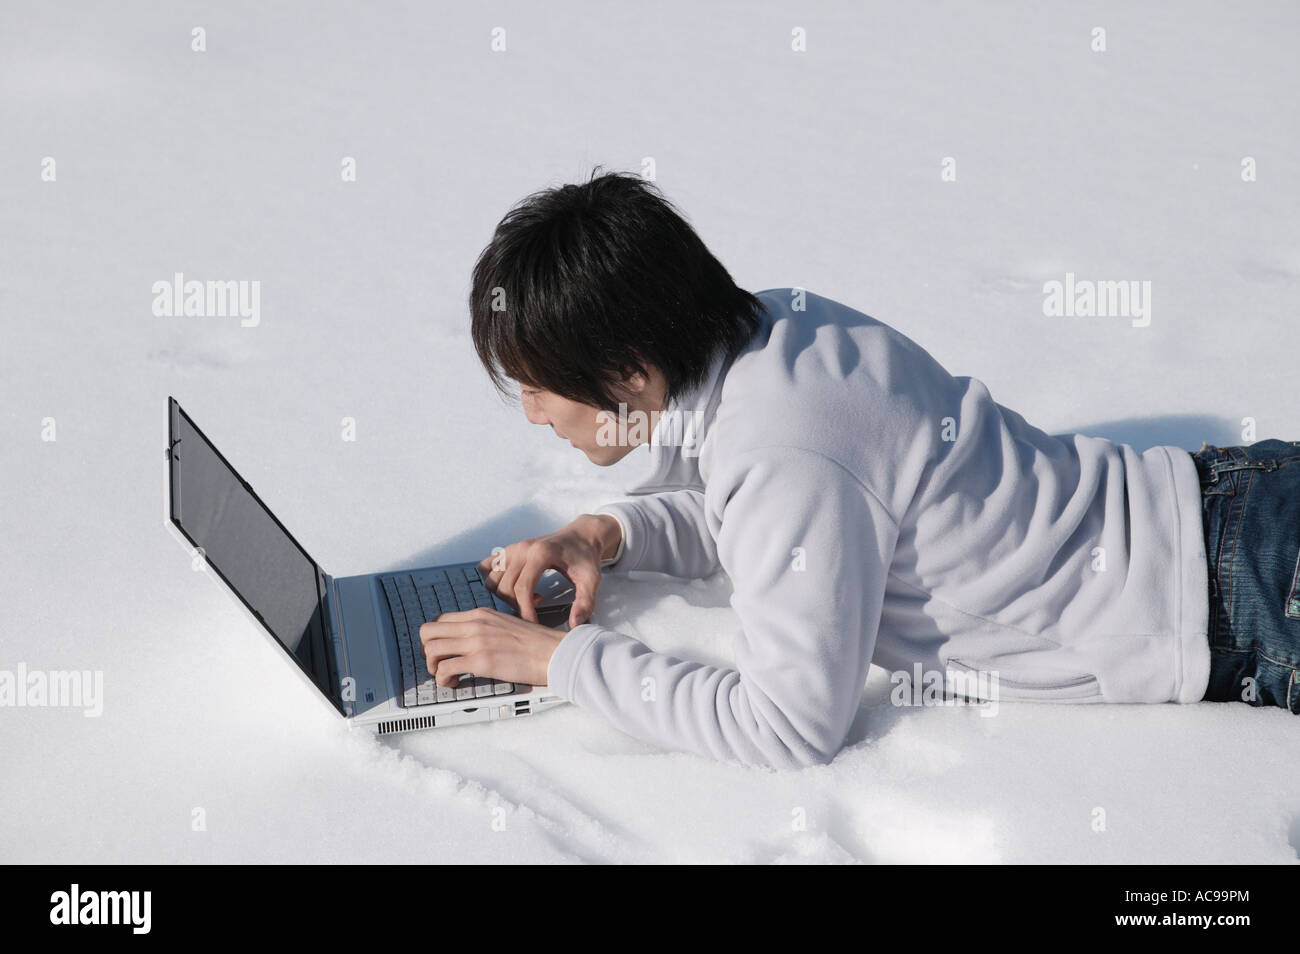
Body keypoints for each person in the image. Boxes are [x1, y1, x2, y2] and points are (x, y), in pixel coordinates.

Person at [419, 167, 1300, 770]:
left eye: (539, 389)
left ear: (628, 372)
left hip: (1246, 603)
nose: (533, 413)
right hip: (1234, 506)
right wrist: (607, 535)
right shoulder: (772, 331)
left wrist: (559, 662)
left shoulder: (783, 450)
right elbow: (789, 524)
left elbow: (788, 727)